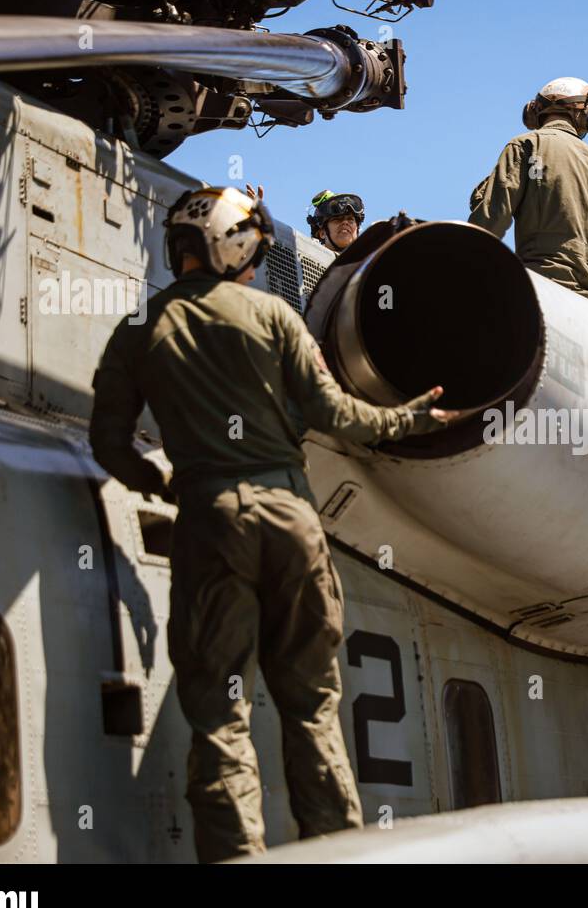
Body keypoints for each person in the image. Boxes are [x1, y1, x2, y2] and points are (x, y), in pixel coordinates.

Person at [89, 186, 456, 862]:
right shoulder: (273, 317)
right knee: (314, 709)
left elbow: (108, 442)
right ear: (232, 246)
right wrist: (413, 419)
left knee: (220, 719)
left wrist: (163, 482)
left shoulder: (142, 326)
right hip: (291, 520)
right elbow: (339, 415)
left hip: (210, 521)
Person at [468, 77, 588, 302]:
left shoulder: (526, 145)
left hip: (537, 289)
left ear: (534, 112)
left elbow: (491, 219)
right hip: (587, 302)